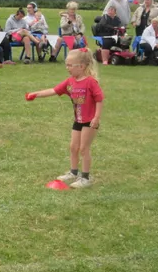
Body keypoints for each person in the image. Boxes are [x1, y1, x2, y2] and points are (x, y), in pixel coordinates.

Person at [26, 48, 104, 188]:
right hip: (78, 120)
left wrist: (97, 117)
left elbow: (99, 99)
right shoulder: (70, 82)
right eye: (66, 64)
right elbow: (53, 90)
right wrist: (35, 94)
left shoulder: (91, 82)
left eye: (69, 65)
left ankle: (85, 178)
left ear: (81, 66)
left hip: (90, 121)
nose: (67, 68)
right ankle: (73, 173)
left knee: (84, 148)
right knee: (73, 147)